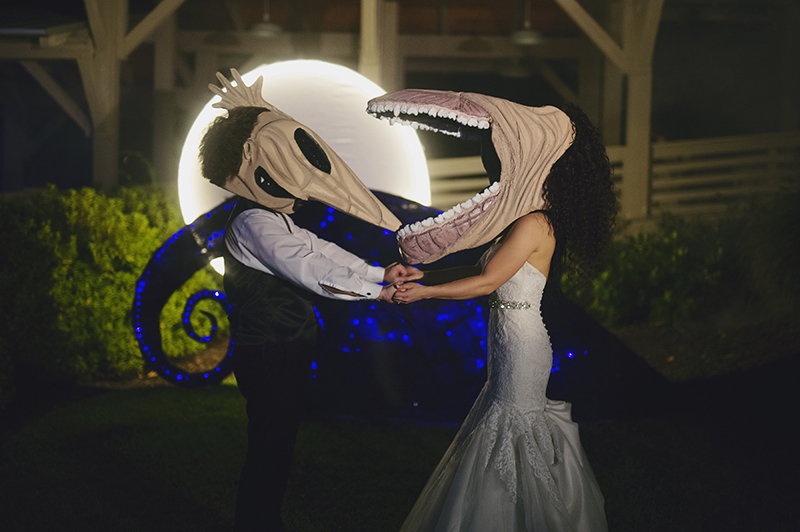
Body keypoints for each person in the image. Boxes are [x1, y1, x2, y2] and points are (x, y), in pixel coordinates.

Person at [199, 70, 418, 531]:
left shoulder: (270, 217)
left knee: (275, 445)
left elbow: (320, 250)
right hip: (270, 349)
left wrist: (380, 272)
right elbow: (310, 269)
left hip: (284, 344)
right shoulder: (254, 223)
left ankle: (261, 520)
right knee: (269, 446)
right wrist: (376, 291)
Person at [390, 99, 617, 531]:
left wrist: (424, 292)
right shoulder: (523, 219)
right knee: (504, 426)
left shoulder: (534, 222)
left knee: (511, 426)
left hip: (523, 343)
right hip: (509, 339)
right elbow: (482, 271)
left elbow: (488, 282)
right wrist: (428, 273)